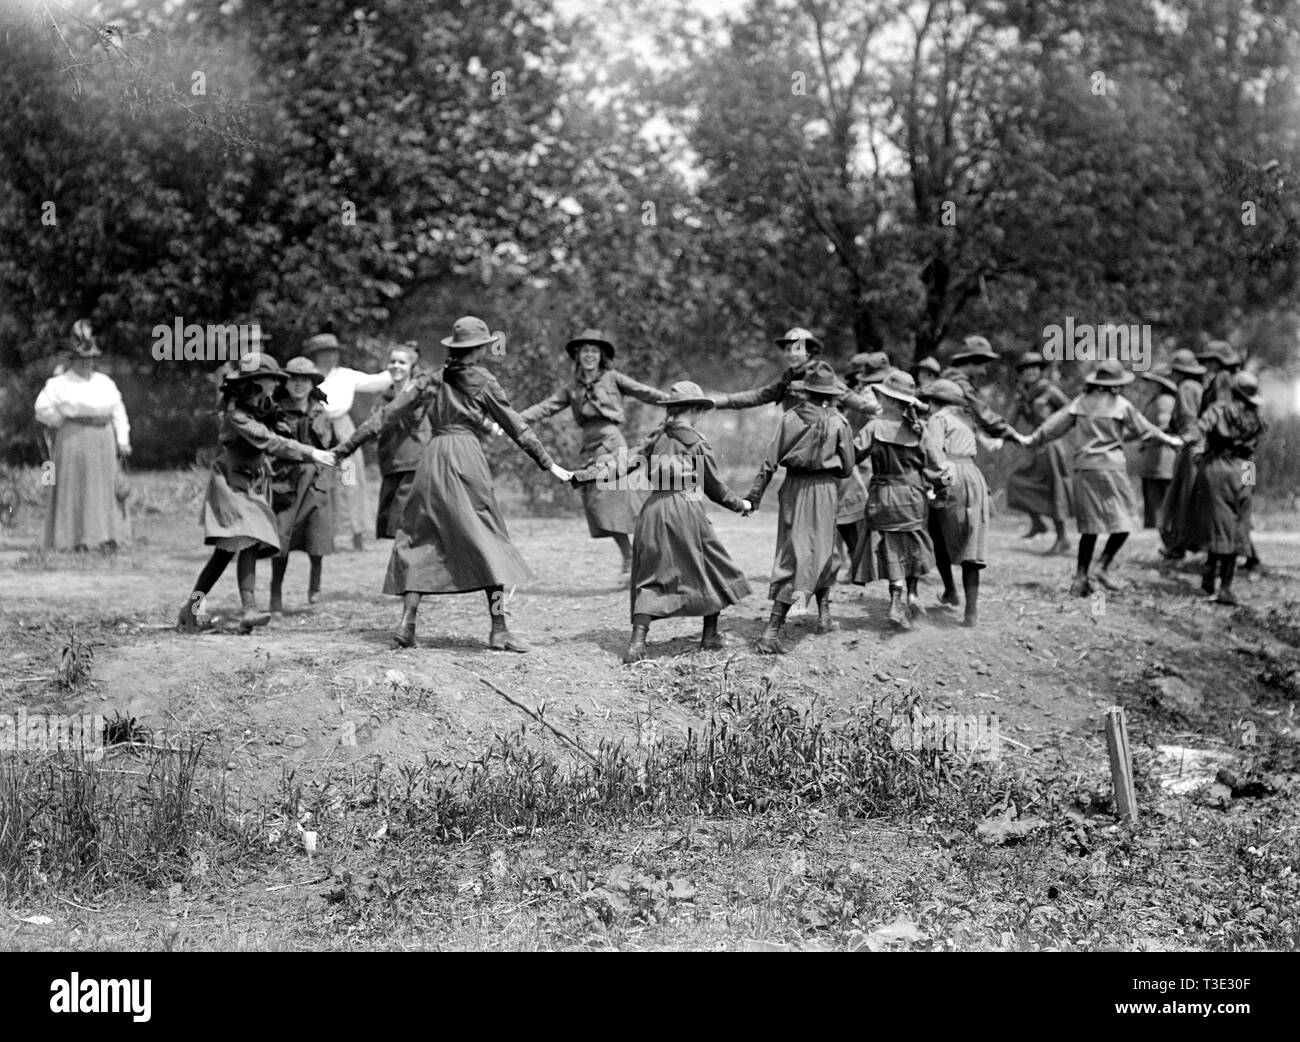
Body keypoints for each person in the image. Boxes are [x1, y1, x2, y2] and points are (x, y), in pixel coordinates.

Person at [332, 316, 573, 652]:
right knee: (489, 539)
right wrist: (549, 463)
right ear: (477, 350)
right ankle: (499, 627)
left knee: (419, 537)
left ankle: (407, 623)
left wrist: (342, 449)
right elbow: (517, 427)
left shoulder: (430, 379)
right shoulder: (484, 381)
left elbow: (383, 418)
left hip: (430, 461)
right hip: (465, 458)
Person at [572, 381, 753, 663]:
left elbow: (622, 464)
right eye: (699, 411)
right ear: (694, 409)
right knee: (712, 568)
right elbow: (714, 488)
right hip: (686, 506)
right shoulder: (696, 442)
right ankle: (710, 635)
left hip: (653, 510)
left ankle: (636, 644)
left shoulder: (655, 438)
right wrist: (741, 504)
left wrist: (583, 476)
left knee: (650, 576)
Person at [177, 355, 337, 633]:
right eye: (272, 378)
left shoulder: (264, 407)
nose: (277, 383)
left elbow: (282, 433)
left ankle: (189, 610)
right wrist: (311, 453)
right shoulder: (237, 414)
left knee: (225, 553)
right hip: (230, 481)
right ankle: (248, 608)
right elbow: (271, 441)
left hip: (251, 481)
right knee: (250, 536)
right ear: (255, 382)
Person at [1019, 360, 1182, 596]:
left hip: (1084, 468)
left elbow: (1053, 427)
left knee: (1090, 526)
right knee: (1126, 520)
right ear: (1115, 385)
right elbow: (1146, 429)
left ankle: (1080, 578)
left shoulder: (1080, 403)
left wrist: (1031, 439)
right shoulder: (1121, 405)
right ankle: (1102, 566)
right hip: (1112, 468)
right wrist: (1171, 440)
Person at [520, 329, 670, 573]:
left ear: (601, 356)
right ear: (577, 356)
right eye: (585, 351)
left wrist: (676, 402)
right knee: (596, 505)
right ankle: (629, 554)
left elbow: (645, 392)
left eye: (594, 351)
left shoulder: (613, 378)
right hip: (589, 447)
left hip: (611, 443)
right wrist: (513, 420)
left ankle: (642, 555)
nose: (589, 356)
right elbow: (545, 407)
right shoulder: (571, 388)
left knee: (616, 499)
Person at [747, 361, 856, 652]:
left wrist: (754, 497)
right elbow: (847, 468)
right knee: (822, 549)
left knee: (793, 552)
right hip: (824, 490)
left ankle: (820, 617)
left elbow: (769, 463)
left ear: (806, 391)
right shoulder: (838, 422)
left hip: (793, 488)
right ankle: (773, 633)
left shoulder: (790, 418)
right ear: (832, 395)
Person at [852, 371, 952, 629]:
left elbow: (851, 456)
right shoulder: (921, 430)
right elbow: (940, 469)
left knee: (891, 547)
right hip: (913, 497)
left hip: (883, 496)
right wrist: (944, 492)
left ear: (891, 401)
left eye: (882, 395)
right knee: (913, 544)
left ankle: (896, 598)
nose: (878, 398)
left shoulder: (874, 427)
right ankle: (912, 594)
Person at [33, 320, 132, 552]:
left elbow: (118, 410)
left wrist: (123, 439)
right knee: (75, 486)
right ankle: (73, 539)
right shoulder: (60, 383)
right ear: (72, 360)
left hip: (103, 440)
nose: (86, 363)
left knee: (104, 488)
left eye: (89, 359)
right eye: (81, 359)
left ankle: (106, 537)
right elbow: (42, 409)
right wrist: (61, 421)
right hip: (74, 439)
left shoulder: (104, 382)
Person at [302, 333, 393, 551]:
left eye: (334, 352)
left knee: (349, 479)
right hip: (316, 429)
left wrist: (401, 366)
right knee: (321, 480)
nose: (331, 356)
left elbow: (375, 381)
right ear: (317, 354)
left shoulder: (344, 375)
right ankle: (325, 535)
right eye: (326, 352)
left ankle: (356, 533)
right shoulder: (307, 375)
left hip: (344, 432)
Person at [1189, 372, 1267, 606]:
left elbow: (1198, 431)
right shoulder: (1255, 416)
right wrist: (1248, 484)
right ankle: (1225, 586)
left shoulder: (1218, 409)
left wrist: (1195, 451)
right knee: (1236, 525)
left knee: (1218, 523)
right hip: (1245, 469)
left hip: (1218, 468)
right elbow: (1252, 451)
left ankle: (1210, 575)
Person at [268, 356, 337, 613]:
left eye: (304, 381)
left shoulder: (319, 410)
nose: (298, 385)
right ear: (285, 384)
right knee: (282, 538)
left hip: (316, 480)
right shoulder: (276, 411)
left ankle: (315, 587)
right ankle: (276, 592)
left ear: (312, 384)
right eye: (293, 380)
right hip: (286, 480)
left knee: (316, 535)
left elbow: (330, 445)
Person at [921, 379, 991, 627]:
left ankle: (951, 589)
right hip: (973, 475)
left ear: (934, 402)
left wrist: (941, 486)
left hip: (953, 474)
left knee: (938, 531)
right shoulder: (966, 418)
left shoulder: (938, 419)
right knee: (971, 541)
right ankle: (970, 612)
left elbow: (936, 455)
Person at [712, 327, 879, 416]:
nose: (791, 354)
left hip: (818, 436)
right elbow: (758, 396)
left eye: (797, 349)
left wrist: (872, 408)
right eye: (788, 349)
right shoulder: (788, 379)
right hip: (794, 437)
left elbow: (847, 395)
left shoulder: (820, 373)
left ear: (808, 352)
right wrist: (717, 402)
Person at [1004, 351, 1073, 555]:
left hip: (1052, 445)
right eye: (1027, 369)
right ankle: (1037, 523)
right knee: (1017, 481)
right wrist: (1001, 436)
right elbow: (1010, 422)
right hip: (1033, 445)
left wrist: (1057, 430)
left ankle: (1062, 538)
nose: (1031, 372)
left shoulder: (1050, 391)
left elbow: (1072, 411)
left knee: (1055, 488)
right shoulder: (1021, 395)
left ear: (1040, 371)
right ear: (1022, 373)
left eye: (1035, 368)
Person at [370, 342, 432, 540]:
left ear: (411, 367)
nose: (396, 366)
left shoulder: (422, 395)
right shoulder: (382, 399)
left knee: (408, 526)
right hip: (391, 465)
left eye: (402, 362)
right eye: (392, 361)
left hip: (415, 465)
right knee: (393, 529)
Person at [1157, 348, 1208, 559]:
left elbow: (1189, 421)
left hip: (1191, 448)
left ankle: (1181, 545)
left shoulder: (1186, 388)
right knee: (1185, 499)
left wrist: (1182, 440)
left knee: (1184, 499)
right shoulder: (1198, 386)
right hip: (1201, 447)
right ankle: (1181, 544)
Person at [938, 336, 1022, 444]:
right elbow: (981, 413)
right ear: (972, 361)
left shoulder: (948, 380)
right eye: (983, 366)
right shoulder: (959, 384)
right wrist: (1010, 433)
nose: (984, 372)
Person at [1135, 369, 1178, 530]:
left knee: (1161, 499)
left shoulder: (1164, 401)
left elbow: (1162, 425)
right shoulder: (1155, 400)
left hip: (1162, 455)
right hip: (1153, 455)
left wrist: (1146, 435)